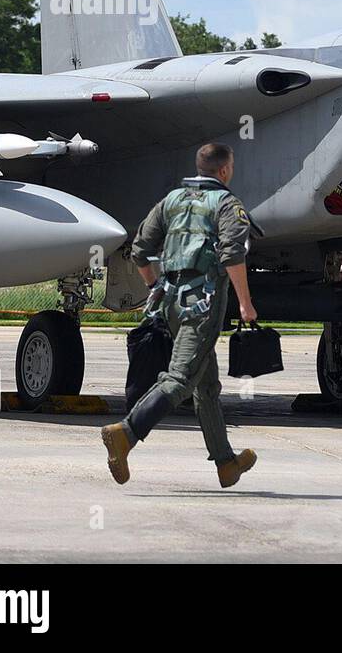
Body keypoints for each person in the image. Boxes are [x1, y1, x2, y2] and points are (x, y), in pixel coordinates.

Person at [100, 143, 259, 487]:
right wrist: (245, 304)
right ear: (224, 171)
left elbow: (140, 249)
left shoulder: (171, 201)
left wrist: (157, 285)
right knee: (181, 378)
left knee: (206, 385)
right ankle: (125, 434)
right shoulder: (228, 204)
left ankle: (225, 463)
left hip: (171, 302)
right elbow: (233, 254)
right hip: (204, 304)